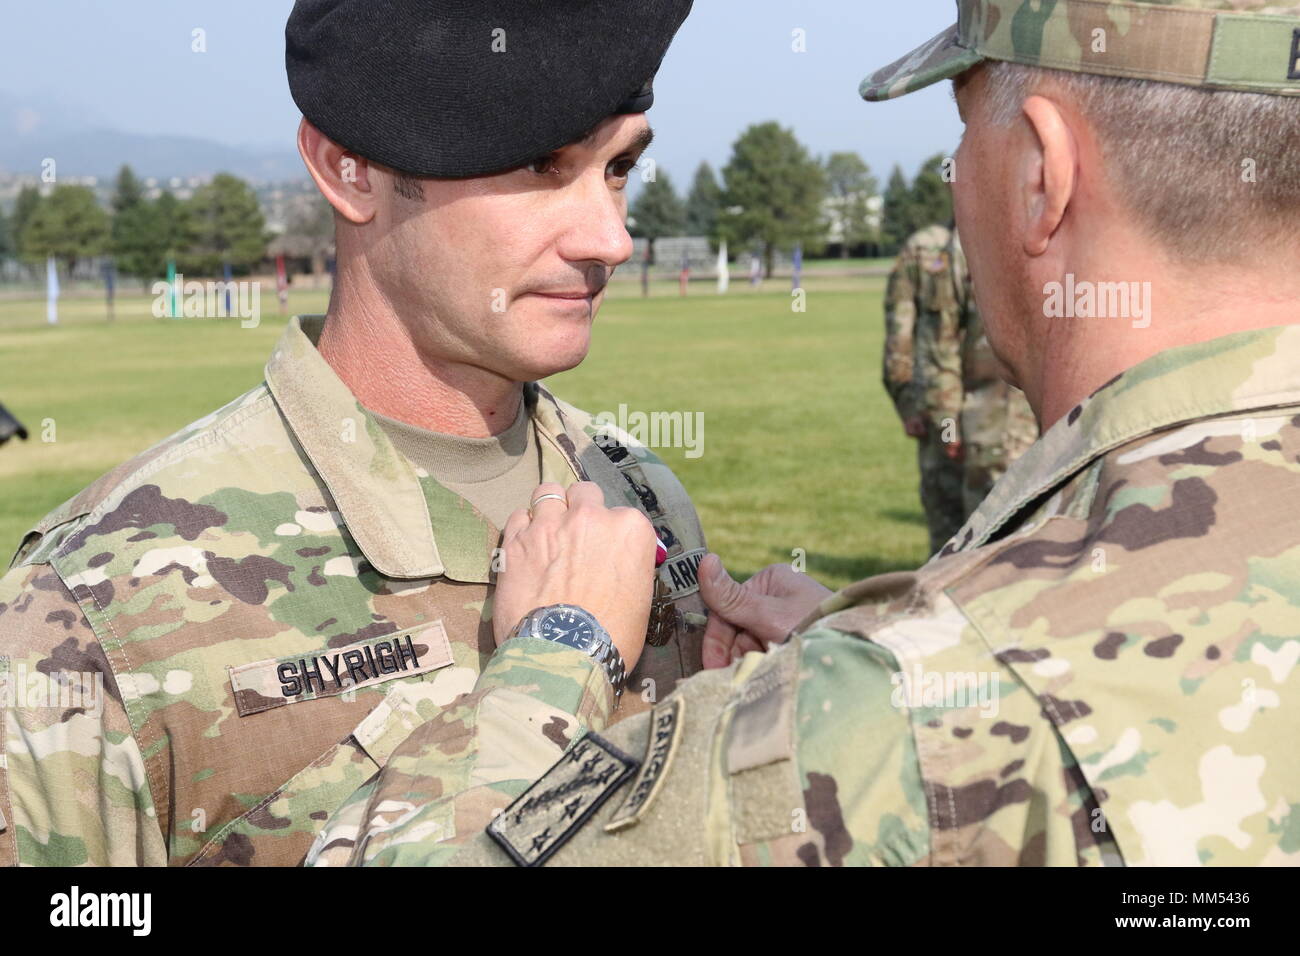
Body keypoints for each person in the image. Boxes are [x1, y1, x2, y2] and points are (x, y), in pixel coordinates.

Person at [309, 0, 1300, 867]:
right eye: (542, 166)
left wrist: (558, 649)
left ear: (1041, 172)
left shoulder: (920, 714)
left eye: (962, 138)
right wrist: (857, 643)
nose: (609, 237)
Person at [0, 0, 701, 867]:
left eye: (619, 167)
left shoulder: (634, 488)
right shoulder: (93, 607)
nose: (611, 237)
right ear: (349, 171)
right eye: (540, 165)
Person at [885, 224, 1037, 554]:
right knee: (988, 548)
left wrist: (912, 403)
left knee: (955, 543)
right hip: (996, 423)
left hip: (963, 416)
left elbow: (904, 336)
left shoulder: (937, 246)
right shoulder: (1021, 241)